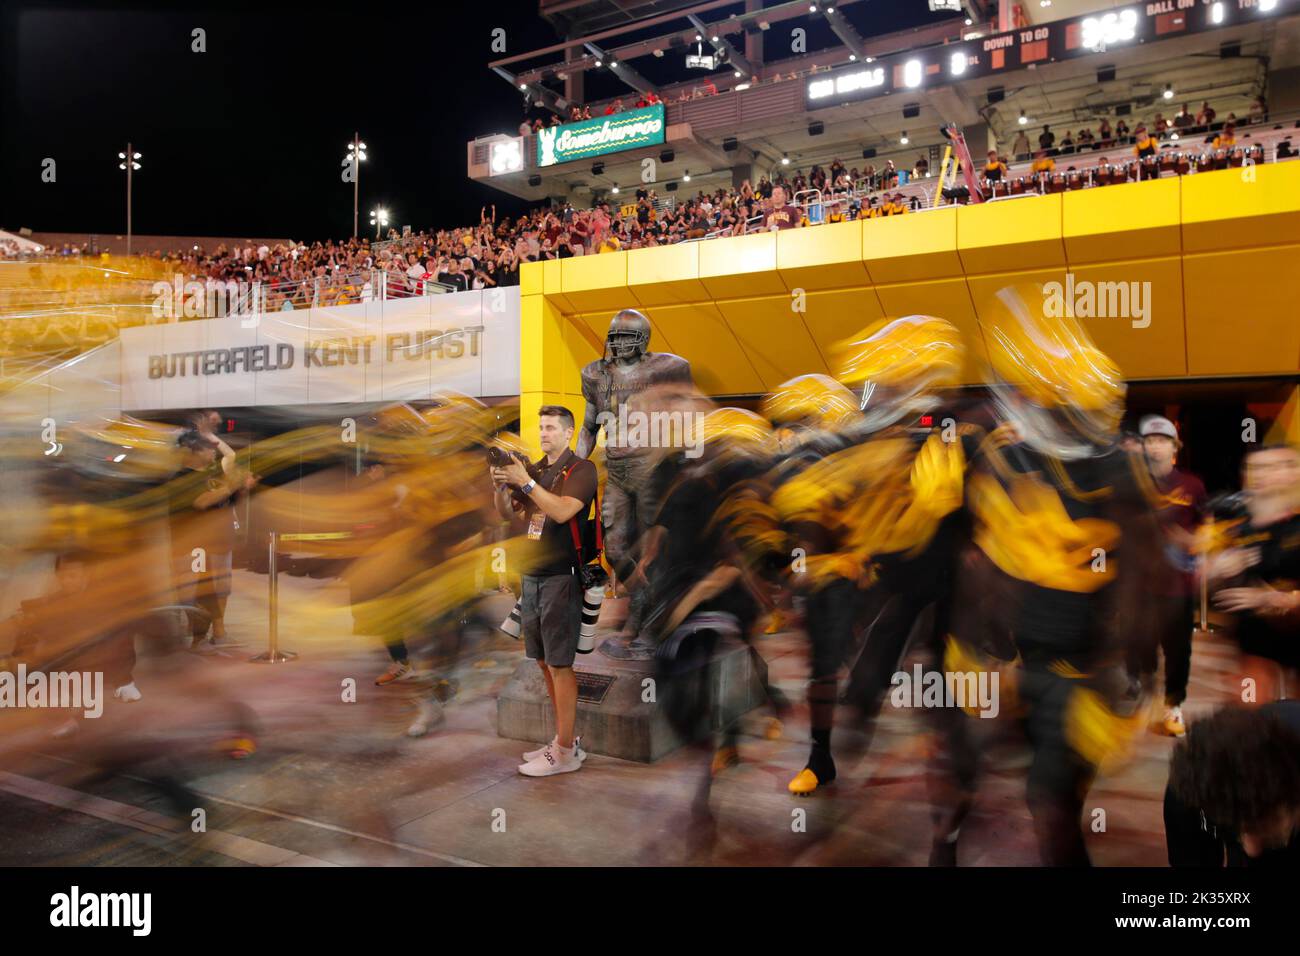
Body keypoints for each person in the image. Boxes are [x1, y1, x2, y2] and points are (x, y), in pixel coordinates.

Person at [492, 405, 598, 777]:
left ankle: (566, 751)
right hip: (532, 578)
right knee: (542, 661)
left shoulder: (581, 470)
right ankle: (563, 739)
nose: (544, 433)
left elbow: (563, 511)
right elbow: (510, 514)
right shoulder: (536, 470)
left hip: (561, 578)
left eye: (551, 427)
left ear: (569, 432)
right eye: (541, 427)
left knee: (560, 664)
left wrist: (525, 481)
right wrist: (502, 487)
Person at [1129, 415, 1206, 736]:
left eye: (1163, 441)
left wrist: (1199, 552)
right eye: (1150, 441)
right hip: (1139, 585)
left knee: (1178, 651)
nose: (1156, 446)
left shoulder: (1192, 485)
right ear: (1143, 446)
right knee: (1139, 646)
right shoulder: (1131, 483)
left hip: (1178, 587)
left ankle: (1173, 706)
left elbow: (1206, 528)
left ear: (1174, 447)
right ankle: (1143, 698)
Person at [1208, 444, 1300, 702]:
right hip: (1253, 649)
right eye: (1254, 468)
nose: (1260, 475)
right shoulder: (1238, 529)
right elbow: (1210, 588)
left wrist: (1271, 599)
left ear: (1294, 473)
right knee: (1250, 718)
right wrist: (1217, 571)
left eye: (1272, 467)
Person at [1165, 702, 1300, 865]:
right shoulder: (1188, 798)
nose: (1252, 850)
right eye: (1237, 830)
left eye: (1261, 827)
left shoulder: (1287, 771)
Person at [170, 429, 256, 652]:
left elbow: (231, 457)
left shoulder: (214, 472)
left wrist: (241, 489)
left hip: (219, 540)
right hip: (192, 545)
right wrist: (231, 486)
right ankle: (194, 637)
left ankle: (219, 633)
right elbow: (201, 502)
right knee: (191, 593)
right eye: (209, 448)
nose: (214, 452)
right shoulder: (182, 477)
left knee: (221, 589)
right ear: (195, 451)